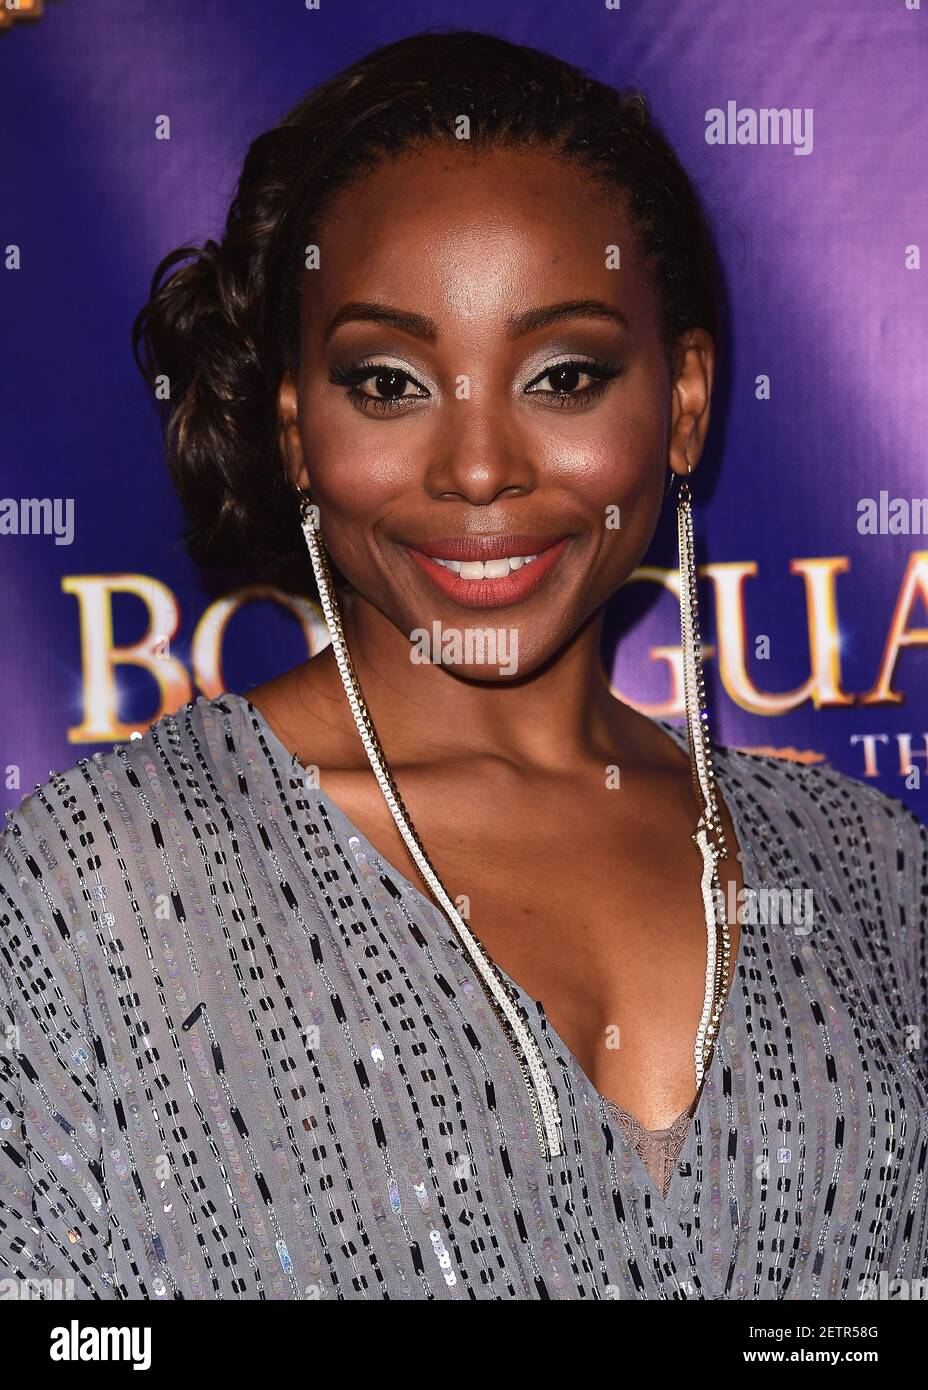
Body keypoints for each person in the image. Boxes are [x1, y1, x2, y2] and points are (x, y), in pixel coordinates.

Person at [1, 30, 925, 1302]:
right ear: (295, 428)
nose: (479, 467)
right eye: (387, 381)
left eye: (565, 374)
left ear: (686, 400)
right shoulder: (93, 895)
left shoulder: (871, 876)